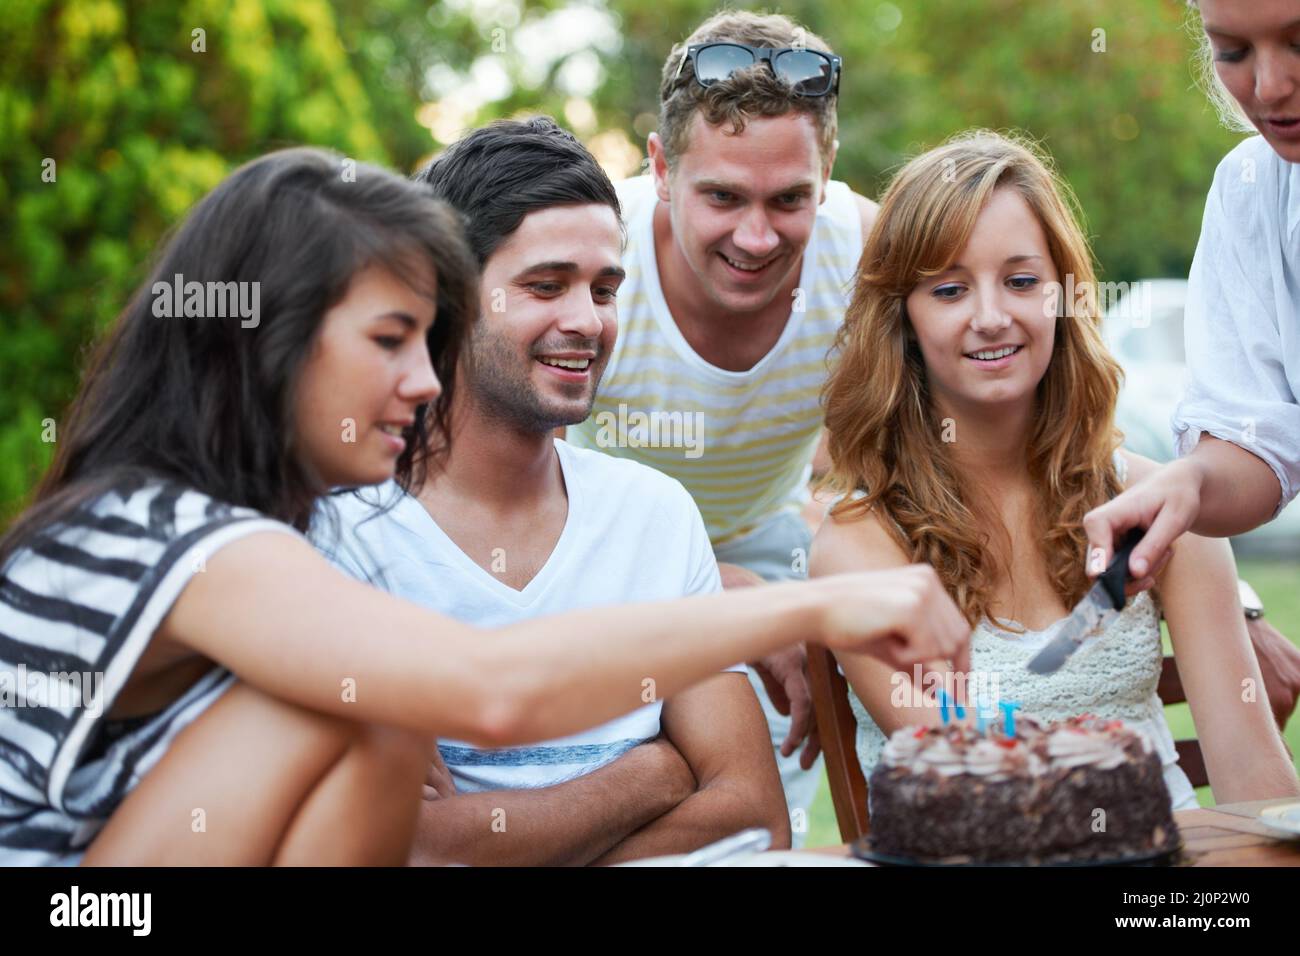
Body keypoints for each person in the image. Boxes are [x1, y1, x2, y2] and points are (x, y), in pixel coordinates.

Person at [0, 147, 968, 866]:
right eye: (389, 339)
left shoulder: (246, 529)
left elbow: (743, 805)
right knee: (361, 711)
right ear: (273, 338)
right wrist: (805, 607)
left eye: (430, 340)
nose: (424, 380)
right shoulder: (172, 531)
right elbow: (490, 690)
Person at [321, 118, 789, 865]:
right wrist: (655, 771)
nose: (586, 322)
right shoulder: (345, 532)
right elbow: (416, 849)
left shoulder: (655, 516)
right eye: (546, 286)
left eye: (605, 290)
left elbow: (753, 817)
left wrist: (518, 839)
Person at [811, 130, 1300, 808]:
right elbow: (977, 797)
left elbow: (1259, 792)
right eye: (949, 289)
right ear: (903, 319)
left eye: (1020, 281)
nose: (990, 317)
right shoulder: (859, 544)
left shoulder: (1167, 509)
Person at [565, 9, 879, 838]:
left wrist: (1234, 601)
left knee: (750, 836)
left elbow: (1033, 417)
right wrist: (734, 600)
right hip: (592, 560)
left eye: (789, 200)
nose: (756, 235)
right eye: (721, 196)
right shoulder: (601, 262)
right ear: (661, 168)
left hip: (768, 546)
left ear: (829, 171)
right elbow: (524, 484)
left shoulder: (863, 250)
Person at [1083, 0, 1300, 579]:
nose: (1270, 86)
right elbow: (1255, 437)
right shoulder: (1252, 192)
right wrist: (1191, 482)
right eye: (1232, 52)